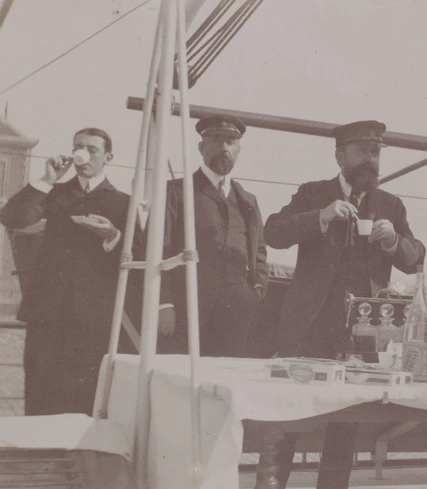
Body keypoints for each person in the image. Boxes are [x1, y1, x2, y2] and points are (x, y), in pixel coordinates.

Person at [264, 120, 426, 488]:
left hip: (362, 336)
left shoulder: (390, 204)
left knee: (344, 431)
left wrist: (392, 242)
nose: (371, 159)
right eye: (362, 152)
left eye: (376, 152)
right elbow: (272, 232)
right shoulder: (313, 193)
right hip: (308, 328)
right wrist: (320, 216)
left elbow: (416, 257)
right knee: (288, 422)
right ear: (340, 156)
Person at [0, 128, 130, 415]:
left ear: (108, 156)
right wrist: (48, 179)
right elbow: (12, 217)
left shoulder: (122, 202)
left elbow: (134, 255)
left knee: (85, 391)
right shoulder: (53, 193)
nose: (83, 154)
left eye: (92, 149)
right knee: (40, 385)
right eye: (78, 147)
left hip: (92, 315)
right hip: (47, 311)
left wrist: (111, 234)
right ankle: (39, 454)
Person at [156, 115, 269, 357]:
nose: (224, 149)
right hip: (187, 307)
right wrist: (165, 303)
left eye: (231, 143)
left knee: (224, 378)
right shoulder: (176, 191)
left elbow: (259, 250)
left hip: (237, 309)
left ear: (239, 149)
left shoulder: (247, 200)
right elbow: (160, 248)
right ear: (201, 147)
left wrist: (256, 290)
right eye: (216, 141)